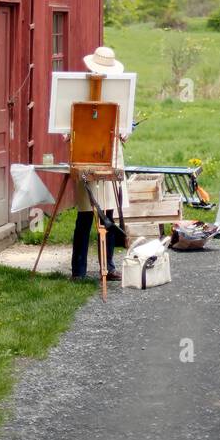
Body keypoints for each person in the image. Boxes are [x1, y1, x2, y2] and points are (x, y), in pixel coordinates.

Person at [70, 46, 128, 282]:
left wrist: (125, 132)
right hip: (86, 154)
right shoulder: (81, 88)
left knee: (109, 214)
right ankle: (79, 270)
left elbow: (125, 120)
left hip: (111, 154)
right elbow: (69, 117)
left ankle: (109, 265)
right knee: (85, 214)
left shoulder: (118, 90)